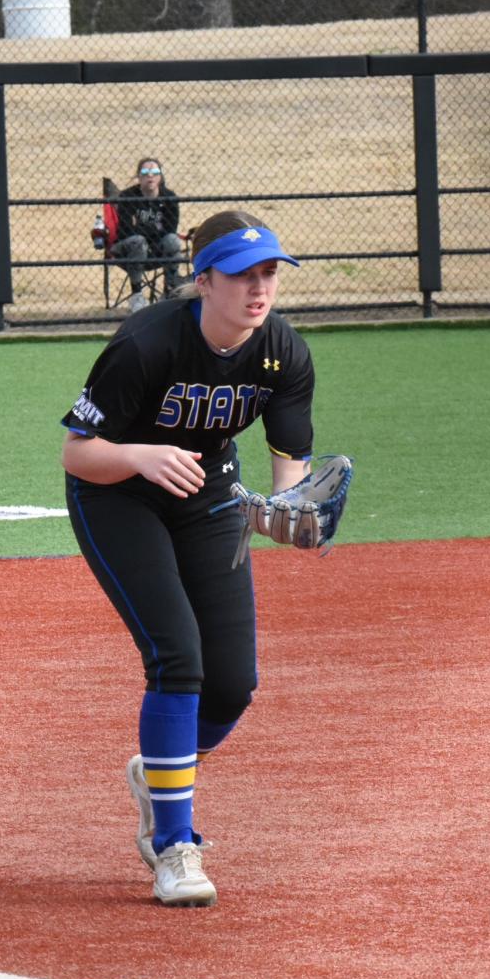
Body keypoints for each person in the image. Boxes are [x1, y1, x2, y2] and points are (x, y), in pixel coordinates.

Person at [61, 210, 317, 906]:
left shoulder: (283, 352)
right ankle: (175, 846)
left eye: (269, 273)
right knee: (178, 657)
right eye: (240, 275)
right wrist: (140, 456)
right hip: (117, 494)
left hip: (207, 494)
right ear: (203, 281)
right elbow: (77, 453)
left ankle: (161, 772)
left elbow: (289, 472)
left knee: (232, 684)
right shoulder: (147, 343)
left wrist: (289, 514)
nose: (258, 289)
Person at [111, 156, 184, 311]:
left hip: (157, 250)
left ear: (160, 176)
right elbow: (126, 230)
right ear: (139, 176)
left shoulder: (170, 198)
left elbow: (170, 230)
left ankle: (169, 292)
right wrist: (154, 231)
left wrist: (142, 230)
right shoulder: (127, 196)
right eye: (145, 172)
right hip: (127, 250)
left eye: (155, 172)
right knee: (138, 241)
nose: (150, 175)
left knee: (172, 241)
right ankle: (136, 295)